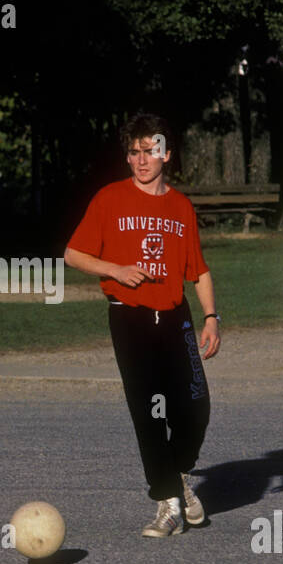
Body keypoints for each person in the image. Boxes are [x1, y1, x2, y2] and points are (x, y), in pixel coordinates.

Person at [64, 113, 220, 537]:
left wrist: (211, 317)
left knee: (196, 406)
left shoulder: (181, 206)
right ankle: (167, 503)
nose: (141, 159)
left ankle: (179, 473)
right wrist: (115, 269)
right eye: (133, 152)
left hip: (176, 318)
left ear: (166, 154)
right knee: (148, 411)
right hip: (129, 317)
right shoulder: (109, 199)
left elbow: (199, 270)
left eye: (149, 150)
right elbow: (73, 254)